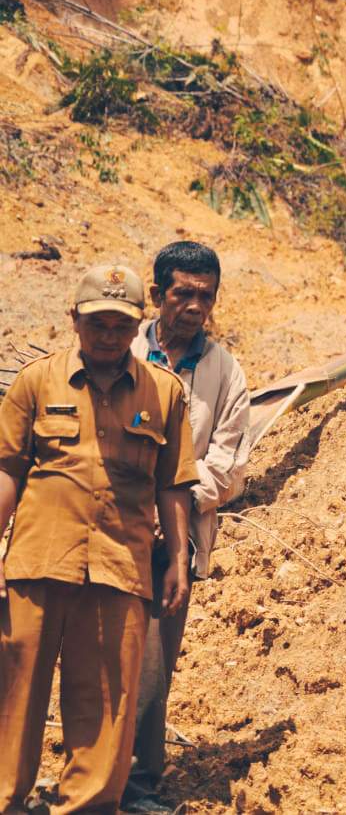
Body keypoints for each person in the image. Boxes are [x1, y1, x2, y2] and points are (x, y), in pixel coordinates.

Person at [0, 265, 198, 812]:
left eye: (121, 326)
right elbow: (8, 470)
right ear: (75, 321)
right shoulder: (35, 383)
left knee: (106, 703)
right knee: (14, 693)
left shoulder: (164, 393)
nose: (109, 337)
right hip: (39, 560)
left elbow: (174, 484)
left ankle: (85, 806)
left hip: (121, 566)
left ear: (138, 325)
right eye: (98, 325)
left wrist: (178, 559)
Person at [121, 242, 251, 813]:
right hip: (105, 526)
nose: (196, 306)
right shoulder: (118, 347)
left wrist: (172, 500)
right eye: (183, 293)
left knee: (153, 662)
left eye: (206, 295)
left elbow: (228, 464)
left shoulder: (224, 371)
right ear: (157, 296)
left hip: (173, 539)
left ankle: (138, 782)